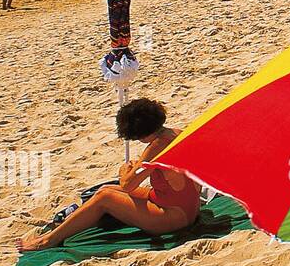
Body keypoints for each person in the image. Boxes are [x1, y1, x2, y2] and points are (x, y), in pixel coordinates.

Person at [17, 99, 201, 252]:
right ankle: (66, 227)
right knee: (106, 189)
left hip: (174, 217)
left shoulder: (156, 147)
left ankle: (47, 241)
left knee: (104, 197)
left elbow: (128, 184)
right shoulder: (175, 133)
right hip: (185, 205)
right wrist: (137, 167)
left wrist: (124, 171)